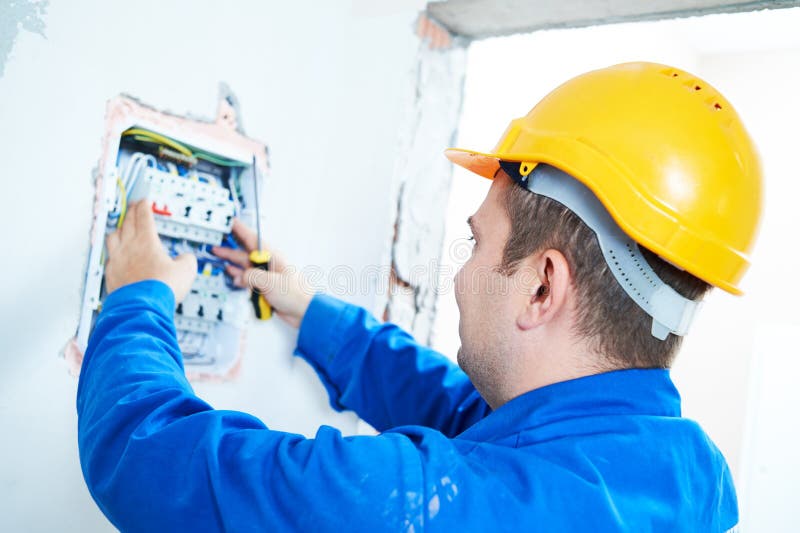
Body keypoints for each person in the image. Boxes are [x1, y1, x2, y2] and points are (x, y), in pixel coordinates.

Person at [77, 62, 761, 532]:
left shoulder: (428, 506)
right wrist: (311, 309)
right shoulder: (683, 474)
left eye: (476, 244)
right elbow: (471, 412)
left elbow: (141, 456)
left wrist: (137, 295)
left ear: (543, 284)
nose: (461, 276)